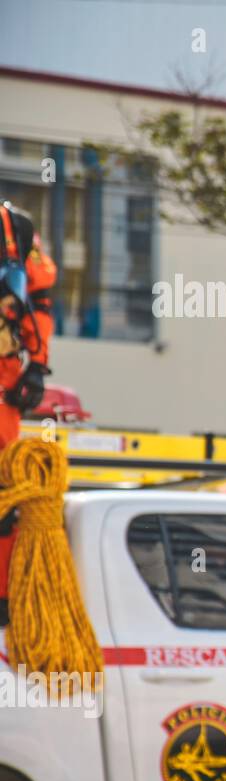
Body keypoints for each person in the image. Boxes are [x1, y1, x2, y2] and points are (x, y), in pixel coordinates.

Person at [0, 201, 54, 626]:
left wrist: (36, 365)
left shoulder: (14, 227)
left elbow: (40, 296)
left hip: (4, 378)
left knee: (7, 496)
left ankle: (3, 598)